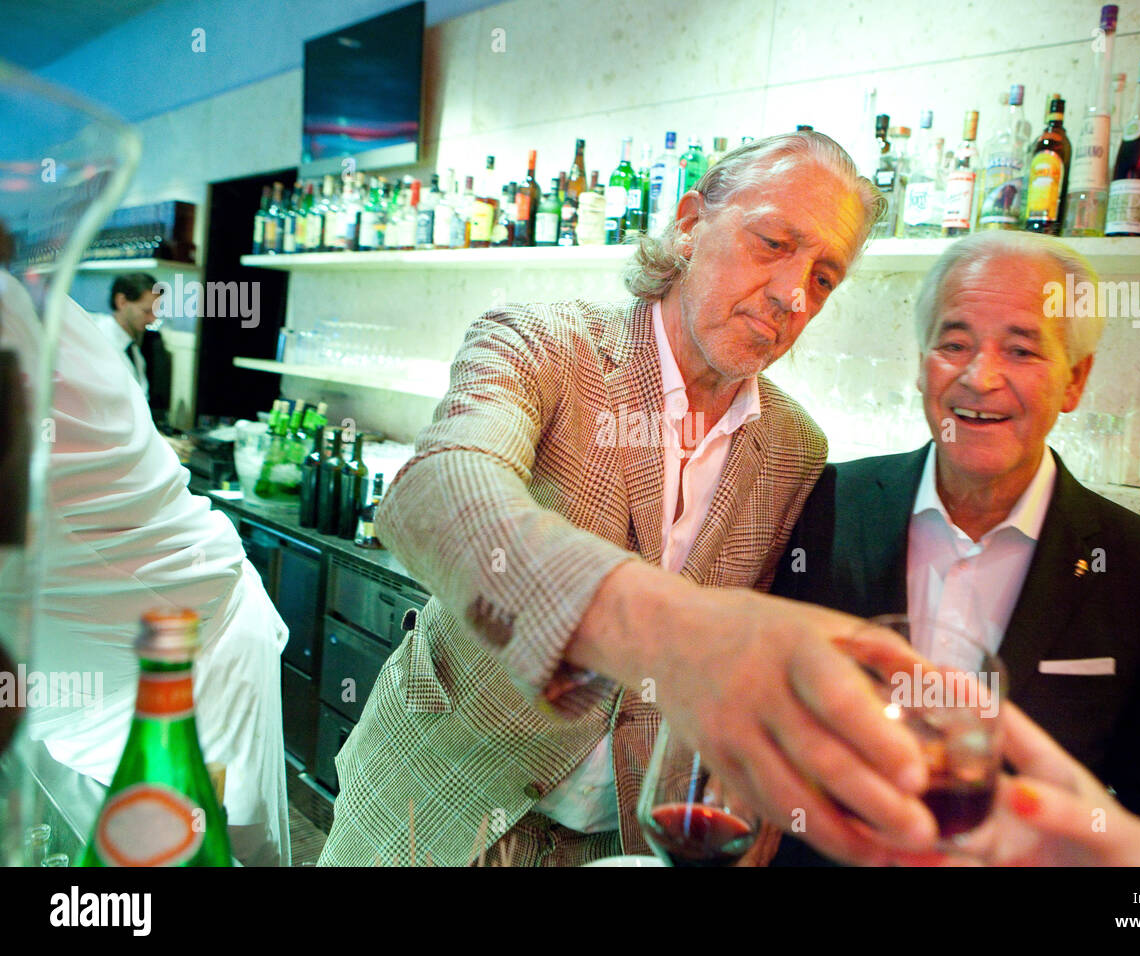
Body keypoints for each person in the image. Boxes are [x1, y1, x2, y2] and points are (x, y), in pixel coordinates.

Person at [320, 131, 950, 867]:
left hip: (624, 839)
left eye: (823, 277)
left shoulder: (794, 446)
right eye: (774, 242)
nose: (791, 294)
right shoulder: (541, 345)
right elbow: (440, 489)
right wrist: (668, 625)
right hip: (435, 809)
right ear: (689, 224)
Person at [770, 231, 1140, 865]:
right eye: (954, 344)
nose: (980, 378)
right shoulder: (823, 502)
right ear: (923, 362)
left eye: (1021, 349)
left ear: (1075, 381)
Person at [0, 265, 291, 866]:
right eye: (150, 302)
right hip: (103, 684)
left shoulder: (28, 329)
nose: (158, 313)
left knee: (214, 848)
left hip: (192, 660)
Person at [88, 272, 172, 428]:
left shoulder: (135, 349)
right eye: (146, 311)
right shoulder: (98, 342)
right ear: (122, 302)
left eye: (155, 312)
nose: (153, 319)